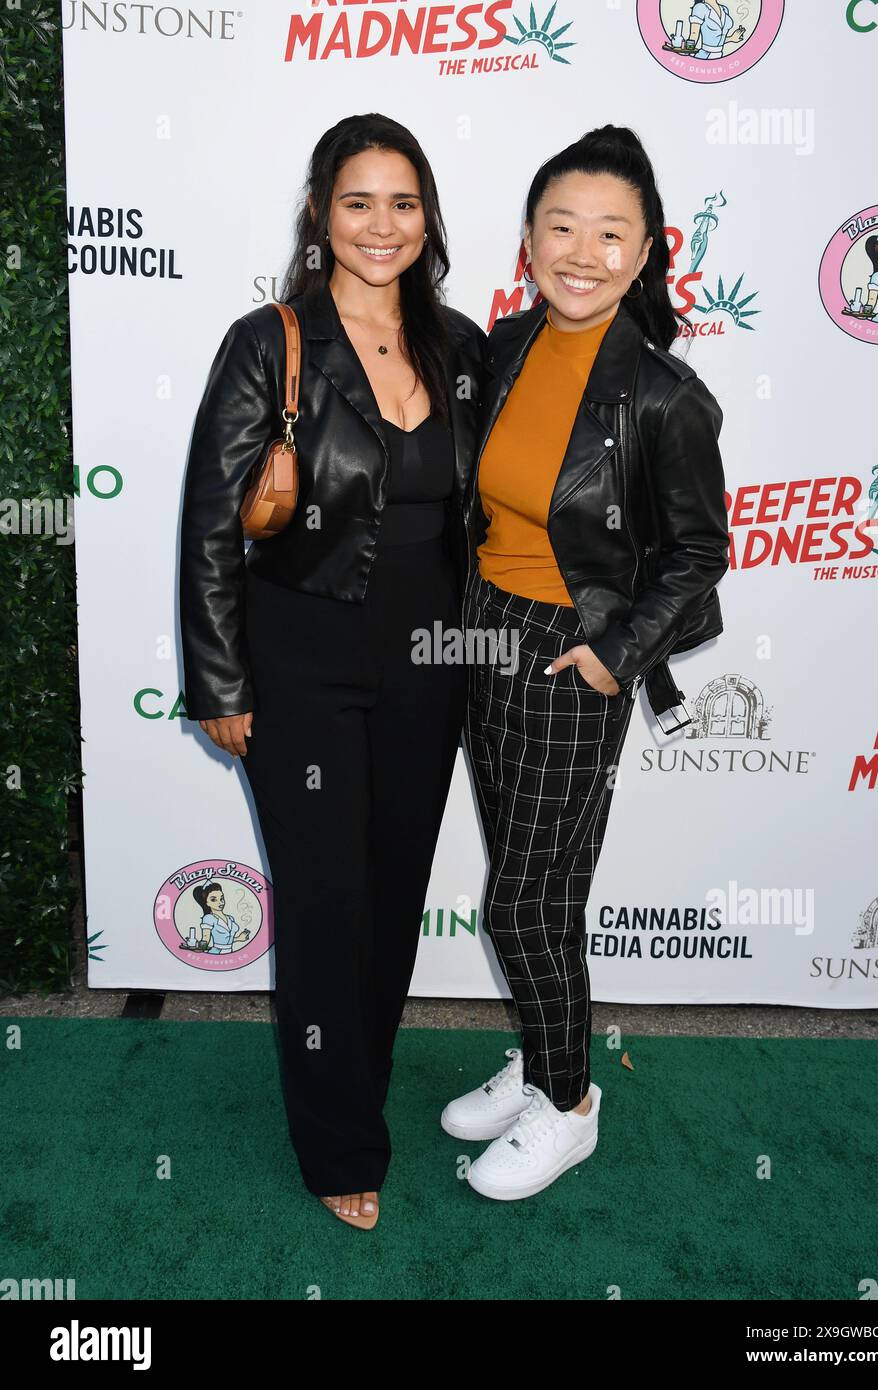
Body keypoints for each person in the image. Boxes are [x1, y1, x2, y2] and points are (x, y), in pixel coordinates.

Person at [178, 114, 485, 1230]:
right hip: (299, 653)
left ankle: (357, 1078)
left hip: (431, 659)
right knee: (324, 901)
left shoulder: (460, 346)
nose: (381, 225)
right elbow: (213, 520)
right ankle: (339, 1140)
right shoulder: (270, 341)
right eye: (358, 201)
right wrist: (219, 681)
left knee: (394, 894)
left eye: (402, 203)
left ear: (427, 217)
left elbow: (499, 508)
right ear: (320, 213)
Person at [446, 124, 730, 1201]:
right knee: (537, 881)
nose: (581, 249)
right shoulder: (505, 346)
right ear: (528, 237)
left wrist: (615, 654)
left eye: (610, 232)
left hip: (571, 650)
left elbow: (700, 552)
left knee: (523, 902)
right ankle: (541, 1053)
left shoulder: (663, 395)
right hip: (479, 625)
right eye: (560, 225)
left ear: (646, 248)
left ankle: (567, 1106)